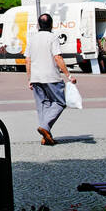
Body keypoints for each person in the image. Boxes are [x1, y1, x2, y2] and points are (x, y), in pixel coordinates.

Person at [26, 12, 75, 145]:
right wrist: (68, 75)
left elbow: (28, 60)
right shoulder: (53, 38)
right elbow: (57, 57)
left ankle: (46, 136)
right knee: (60, 102)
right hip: (51, 76)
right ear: (51, 25)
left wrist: (29, 78)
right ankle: (45, 128)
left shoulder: (32, 39)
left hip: (36, 77)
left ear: (38, 25)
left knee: (43, 105)